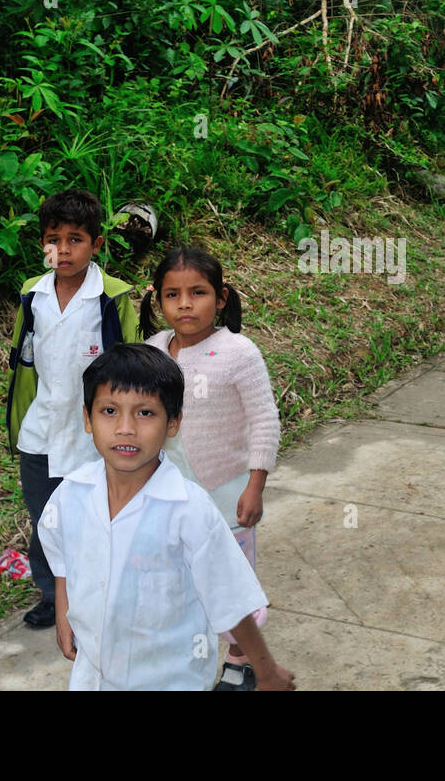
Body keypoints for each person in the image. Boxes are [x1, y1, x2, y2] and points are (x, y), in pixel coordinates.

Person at [40, 344, 296, 691]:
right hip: (92, 676)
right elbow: (63, 558)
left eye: (145, 413)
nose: (126, 428)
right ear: (88, 418)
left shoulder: (189, 510)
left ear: (173, 422)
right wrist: (64, 613)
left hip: (170, 679)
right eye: (110, 411)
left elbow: (230, 596)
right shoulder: (70, 496)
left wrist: (265, 671)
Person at [141, 246, 281, 690]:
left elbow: (264, 419)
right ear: (158, 301)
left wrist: (254, 485)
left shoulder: (238, 352)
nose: (185, 304)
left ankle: (241, 662)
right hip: (168, 490)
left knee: (231, 579)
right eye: (172, 294)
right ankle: (187, 652)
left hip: (225, 491)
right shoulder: (152, 351)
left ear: (220, 298)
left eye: (197, 293)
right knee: (180, 576)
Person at [7, 189, 141, 630]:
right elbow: (23, 364)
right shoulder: (32, 295)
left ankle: (103, 594)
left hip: (94, 438)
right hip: (41, 431)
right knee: (46, 519)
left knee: (99, 517)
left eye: (75, 239)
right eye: (52, 239)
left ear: (97, 243)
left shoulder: (113, 298)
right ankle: (52, 596)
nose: (62, 251)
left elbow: (134, 365)